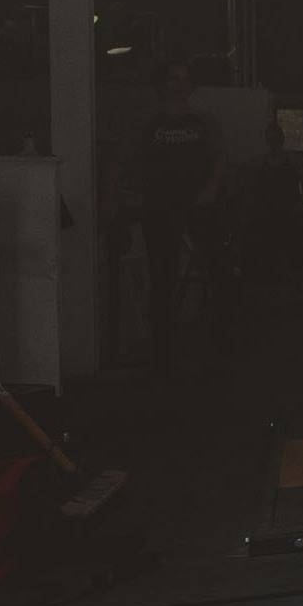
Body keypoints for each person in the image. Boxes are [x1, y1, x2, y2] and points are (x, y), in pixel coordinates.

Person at [104, 60, 232, 373]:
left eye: (186, 79)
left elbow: (220, 160)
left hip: (199, 202)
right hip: (160, 203)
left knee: (220, 269)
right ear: (163, 85)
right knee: (163, 276)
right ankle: (161, 352)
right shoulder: (147, 122)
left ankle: (223, 341)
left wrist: (211, 190)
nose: (181, 85)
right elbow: (119, 161)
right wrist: (108, 199)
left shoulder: (204, 121)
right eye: (175, 79)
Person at [237, 122, 303, 286]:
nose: (273, 142)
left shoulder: (295, 161)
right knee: (271, 256)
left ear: (282, 139)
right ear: (266, 141)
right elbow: (250, 187)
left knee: (295, 255)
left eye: (276, 139)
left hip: (290, 214)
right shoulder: (259, 163)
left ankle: (297, 287)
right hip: (268, 216)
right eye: (270, 139)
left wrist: (302, 203)